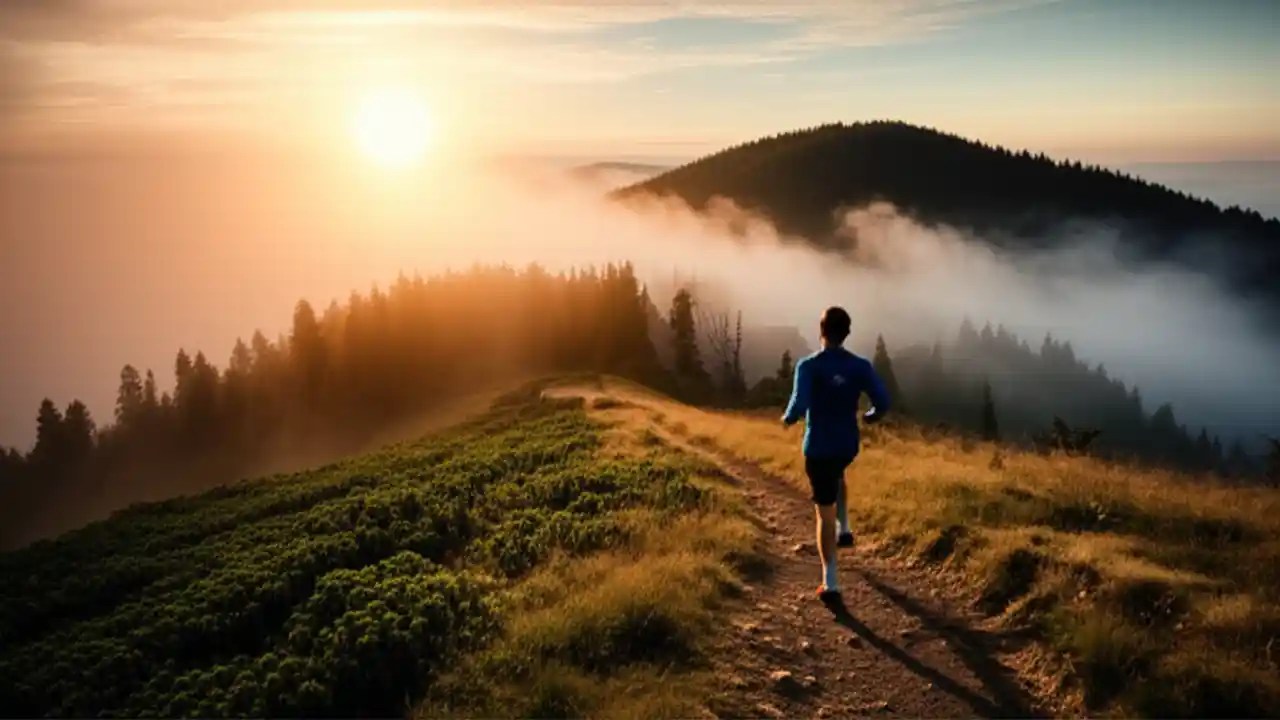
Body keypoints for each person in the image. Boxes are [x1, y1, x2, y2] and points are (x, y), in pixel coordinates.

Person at [782, 306, 890, 600]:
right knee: (838, 473)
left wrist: (789, 418)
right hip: (847, 446)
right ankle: (846, 528)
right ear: (847, 333)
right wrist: (870, 416)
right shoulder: (860, 366)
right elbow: (882, 401)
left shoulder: (808, 366)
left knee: (823, 513)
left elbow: (799, 402)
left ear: (821, 332)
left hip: (818, 447)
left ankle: (830, 581)